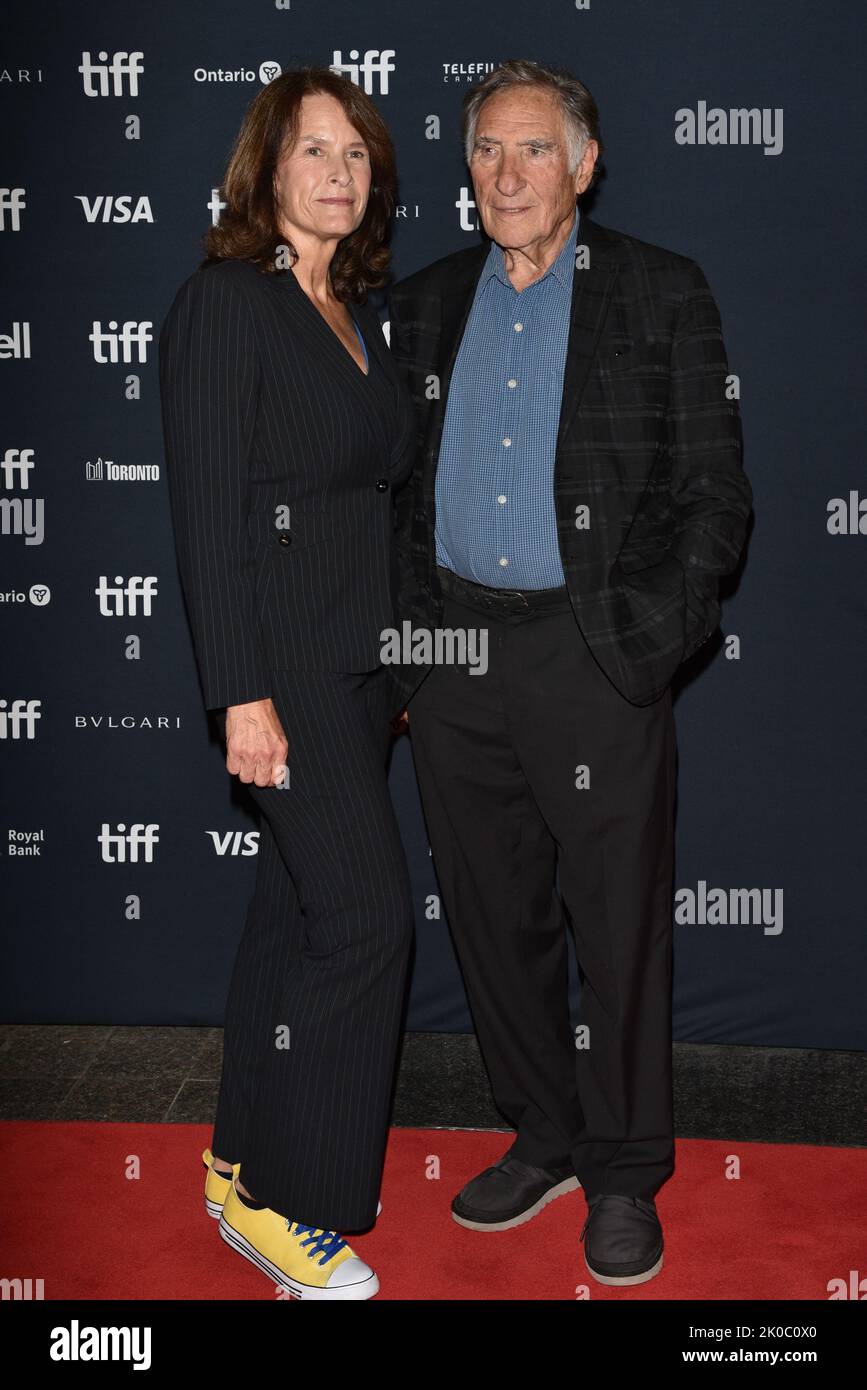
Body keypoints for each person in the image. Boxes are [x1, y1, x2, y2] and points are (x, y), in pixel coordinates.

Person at [388, 58, 752, 1287]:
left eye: (533, 149)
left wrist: (640, 652)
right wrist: (413, 653)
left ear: (585, 167)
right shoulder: (430, 301)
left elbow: (715, 499)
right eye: (487, 149)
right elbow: (389, 495)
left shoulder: (659, 294)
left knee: (620, 928)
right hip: (456, 654)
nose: (506, 173)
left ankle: (625, 1169)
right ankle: (543, 1132)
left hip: (592, 655)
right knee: (494, 920)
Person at [158, 67, 417, 1301]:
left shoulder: (350, 312)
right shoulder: (227, 303)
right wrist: (239, 693)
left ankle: (230, 1161)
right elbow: (209, 518)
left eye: (356, 154)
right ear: (266, 170)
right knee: (369, 919)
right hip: (287, 669)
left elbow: (371, 502)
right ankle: (285, 1203)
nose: (338, 171)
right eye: (314, 149)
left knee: (295, 916)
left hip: (362, 669)